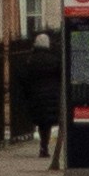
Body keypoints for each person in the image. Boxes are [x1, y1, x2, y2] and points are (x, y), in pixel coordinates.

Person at [17, 24, 61, 163]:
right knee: (47, 123)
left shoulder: (31, 60)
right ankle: (45, 146)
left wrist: (27, 91)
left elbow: (24, 77)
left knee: (42, 123)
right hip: (52, 95)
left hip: (36, 95)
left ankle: (43, 146)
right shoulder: (54, 59)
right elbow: (60, 75)